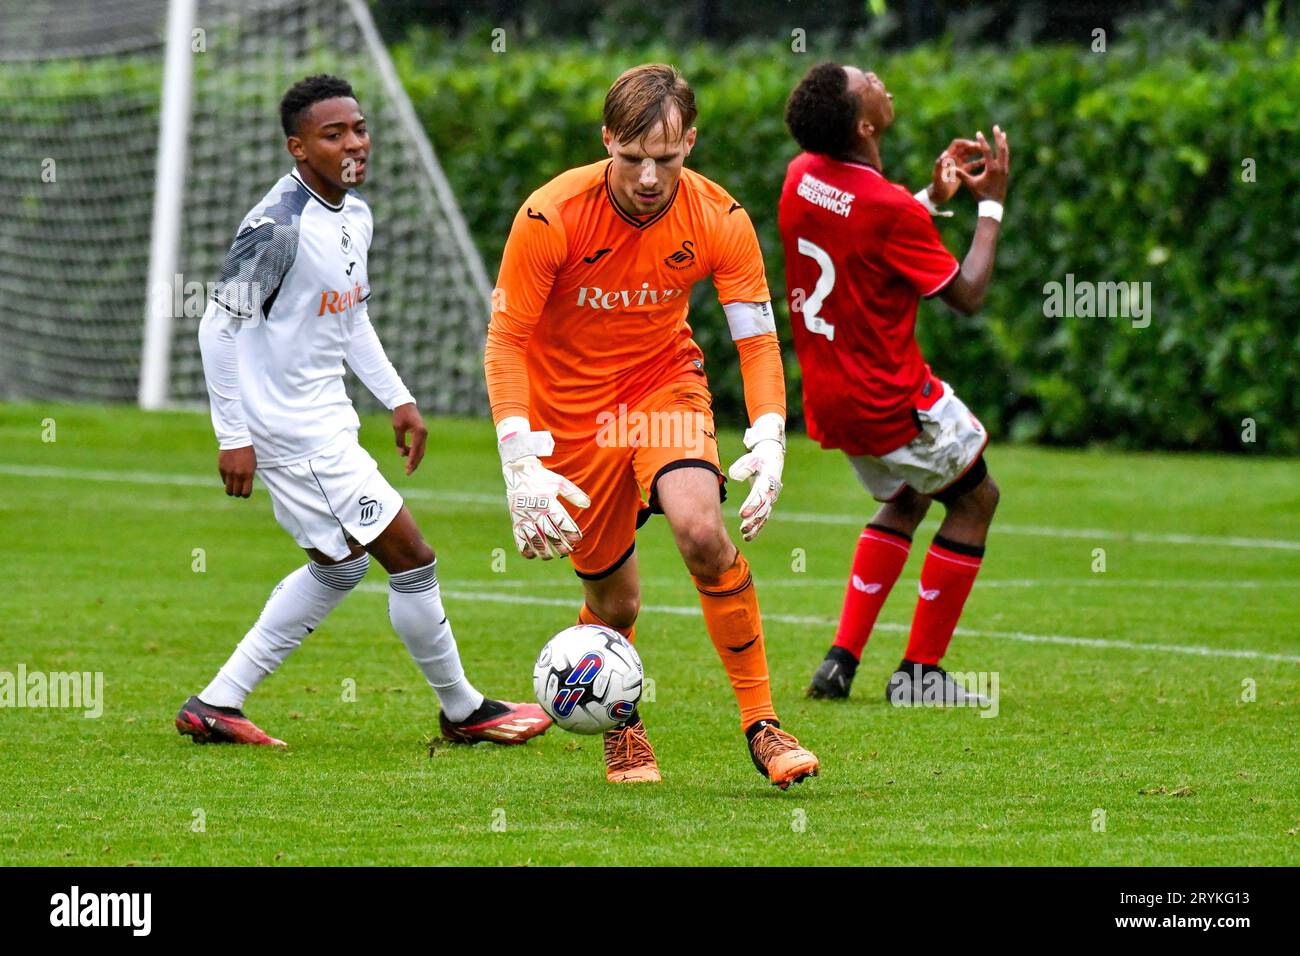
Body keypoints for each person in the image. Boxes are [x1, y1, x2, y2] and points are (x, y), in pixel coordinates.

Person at [179, 74, 550, 747]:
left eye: (359, 128)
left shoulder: (355, 215)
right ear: (299, 148)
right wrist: (232, 436)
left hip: (329, 422)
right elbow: (217, 327)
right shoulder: (277, 227)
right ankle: (464, 710)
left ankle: (216, 702)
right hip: (294, 432)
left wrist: (399, 399)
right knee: (411, 556)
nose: (354, 143)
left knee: (341, 566)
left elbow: (350, 319)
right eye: (333, 134)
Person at [485, 64, 819, 789]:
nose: (646, 176)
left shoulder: (719, 218)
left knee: (701, 530)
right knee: (618, 603)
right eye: (631, 156)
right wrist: (518, 457)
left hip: (663, 389)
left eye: (664, 159)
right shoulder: (550, 215)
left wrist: (768, 434)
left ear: (689, 144)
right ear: (607, 138)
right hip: (570, 418)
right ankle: (622, 724)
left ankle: (763, 725)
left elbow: (758, 341)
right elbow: (506, 341)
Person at [778, 62, 1009, 704]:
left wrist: (931, 200)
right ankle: (920, 675)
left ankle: (839, 661)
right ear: (864, 122)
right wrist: (991, 205)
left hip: (831, 398)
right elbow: (966, 294)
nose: (877, 76)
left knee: (908, 496)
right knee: (975, 498)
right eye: (866, 80)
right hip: (889, 397)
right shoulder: (885, 209)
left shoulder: (802, 177)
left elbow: (865, 225)